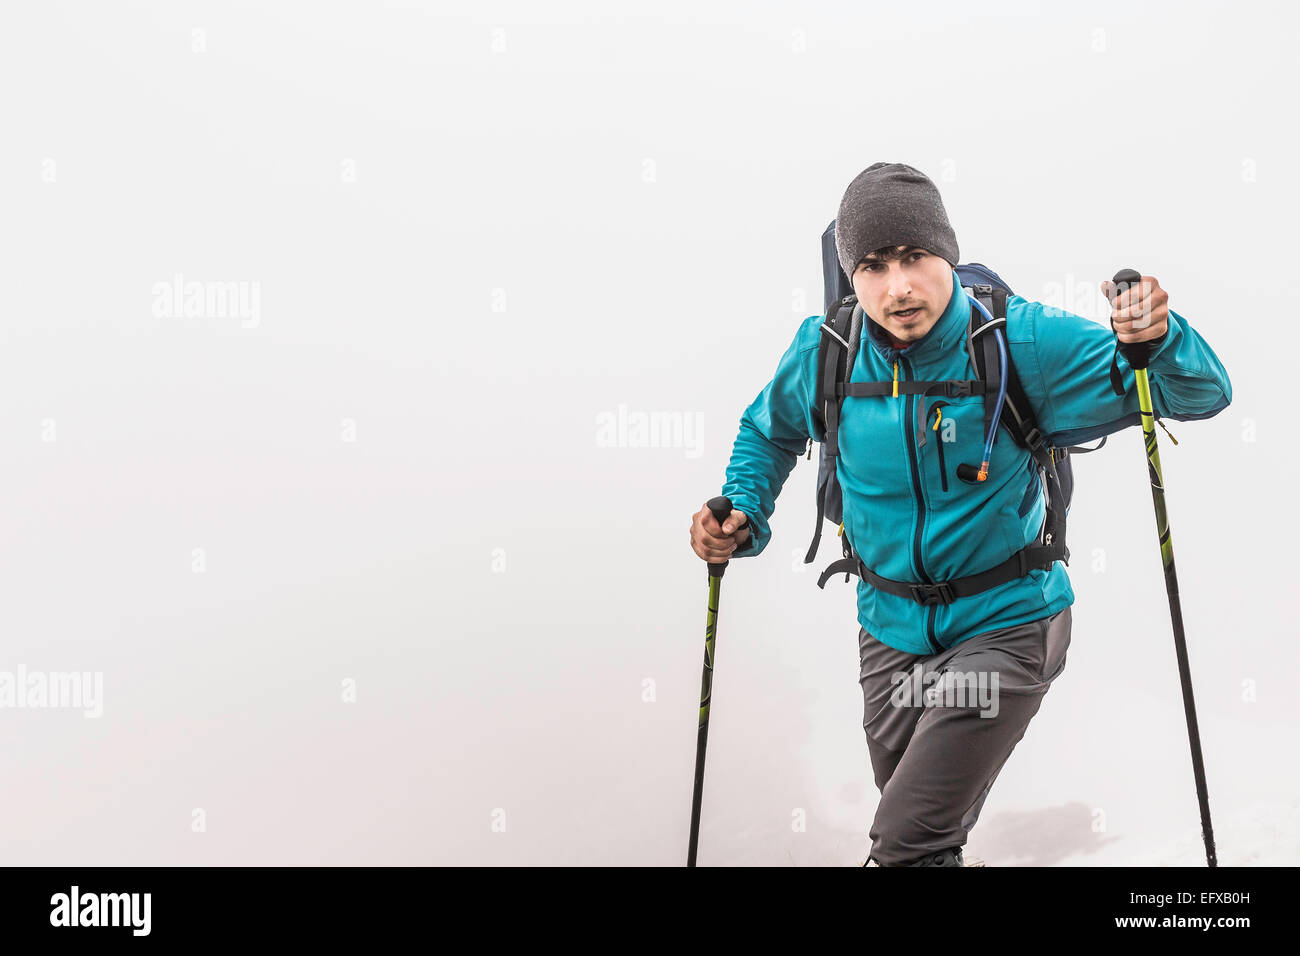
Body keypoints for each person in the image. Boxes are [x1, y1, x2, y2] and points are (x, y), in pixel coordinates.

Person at [687, 162, 1233, 867]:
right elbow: (769, 430)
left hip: (1006, 622)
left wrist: (1159, 339)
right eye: (874, 265)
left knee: (905, 840)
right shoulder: (828, 351)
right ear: (850, 273)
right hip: (887, 633)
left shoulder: (1021, 344)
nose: (898, 286)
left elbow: (1201, 392)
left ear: (945, 253)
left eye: (915, 257)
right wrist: (742, 514)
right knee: (926, 840)